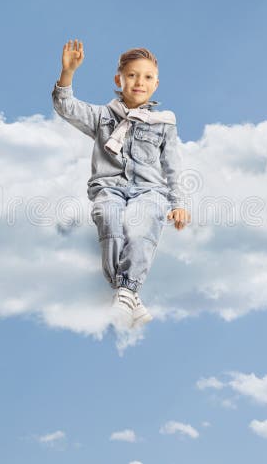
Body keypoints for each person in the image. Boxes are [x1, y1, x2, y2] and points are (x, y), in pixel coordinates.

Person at [51, 39, 191, 329]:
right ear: (120, 79)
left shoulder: (164, 123)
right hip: (109, 189)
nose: (140, 81)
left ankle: (125, 292)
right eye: (132, 75)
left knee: (144, 220)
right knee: (108, 215)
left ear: (156, 84)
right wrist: (68, 73)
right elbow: (65, 106)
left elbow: (172, 166)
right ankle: (128, 293)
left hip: (148, 191)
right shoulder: (102, 117)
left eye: (148, 77)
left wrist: (179, 203)